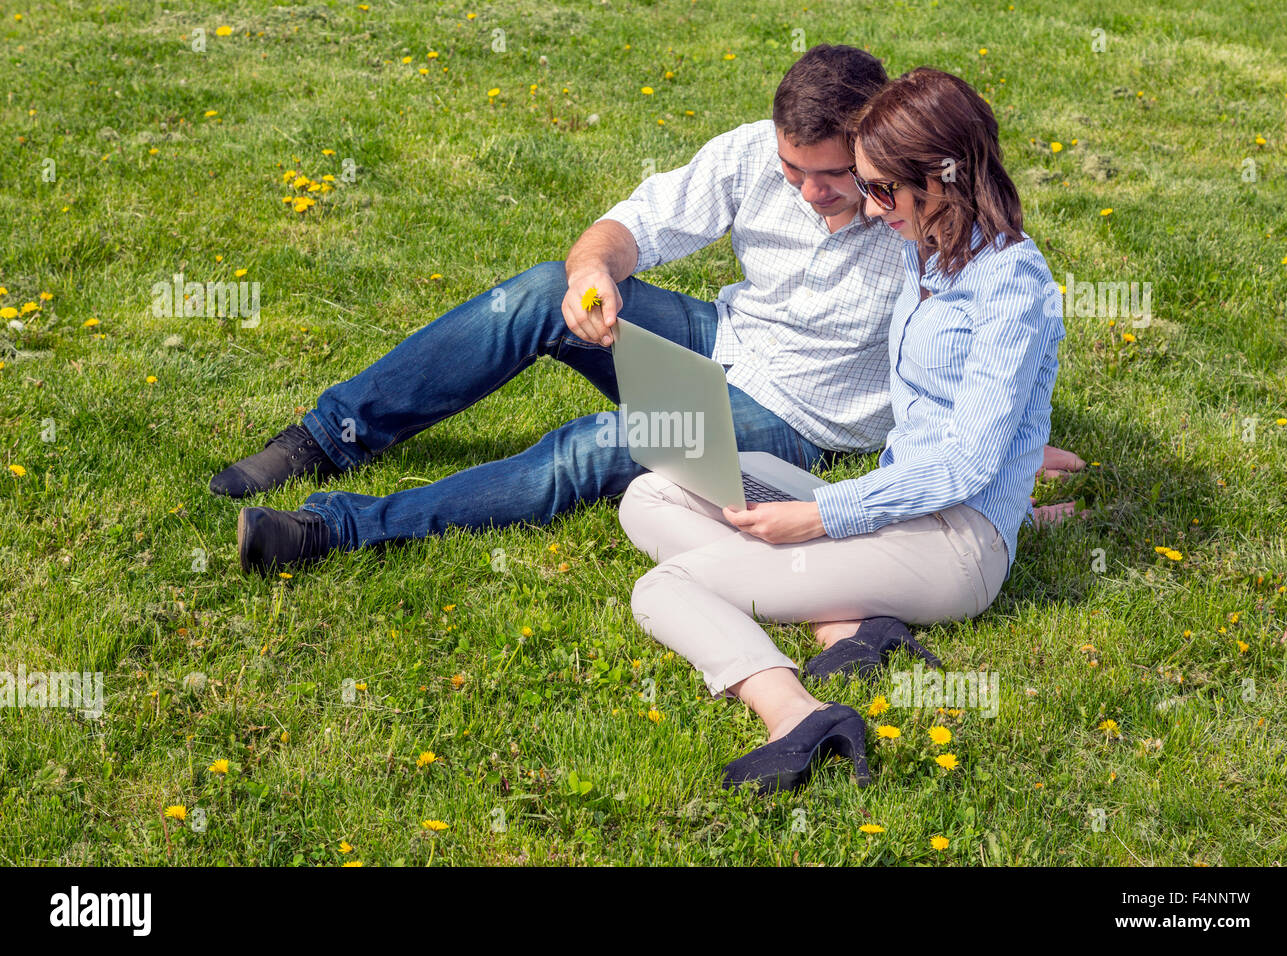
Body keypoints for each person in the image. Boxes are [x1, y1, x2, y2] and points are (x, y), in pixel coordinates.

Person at [211, 45, 1082, 575]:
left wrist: (1004, 447)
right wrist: (593, 272)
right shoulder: (750, 156)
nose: (813, 191)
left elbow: (985, 338)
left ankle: (339, 528)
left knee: (602, 446)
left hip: (795, 416)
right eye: (794, 171)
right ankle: (326, 439)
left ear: (878, 151)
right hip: (723, 340)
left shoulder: (916, 214)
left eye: (834, 176)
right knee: (537, 294)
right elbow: (632, 226)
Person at [617, 67, 1068, 794]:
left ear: (942, 178)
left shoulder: (1010, 287)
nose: (869, 205)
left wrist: (819, 518)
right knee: (651, 494)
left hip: (951, 546)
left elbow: (967, 462)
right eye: (866, 186)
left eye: (882, 189)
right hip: (891, 505)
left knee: (664, 588)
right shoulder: (925, 243)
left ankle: (797, 713)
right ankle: (849, 629)